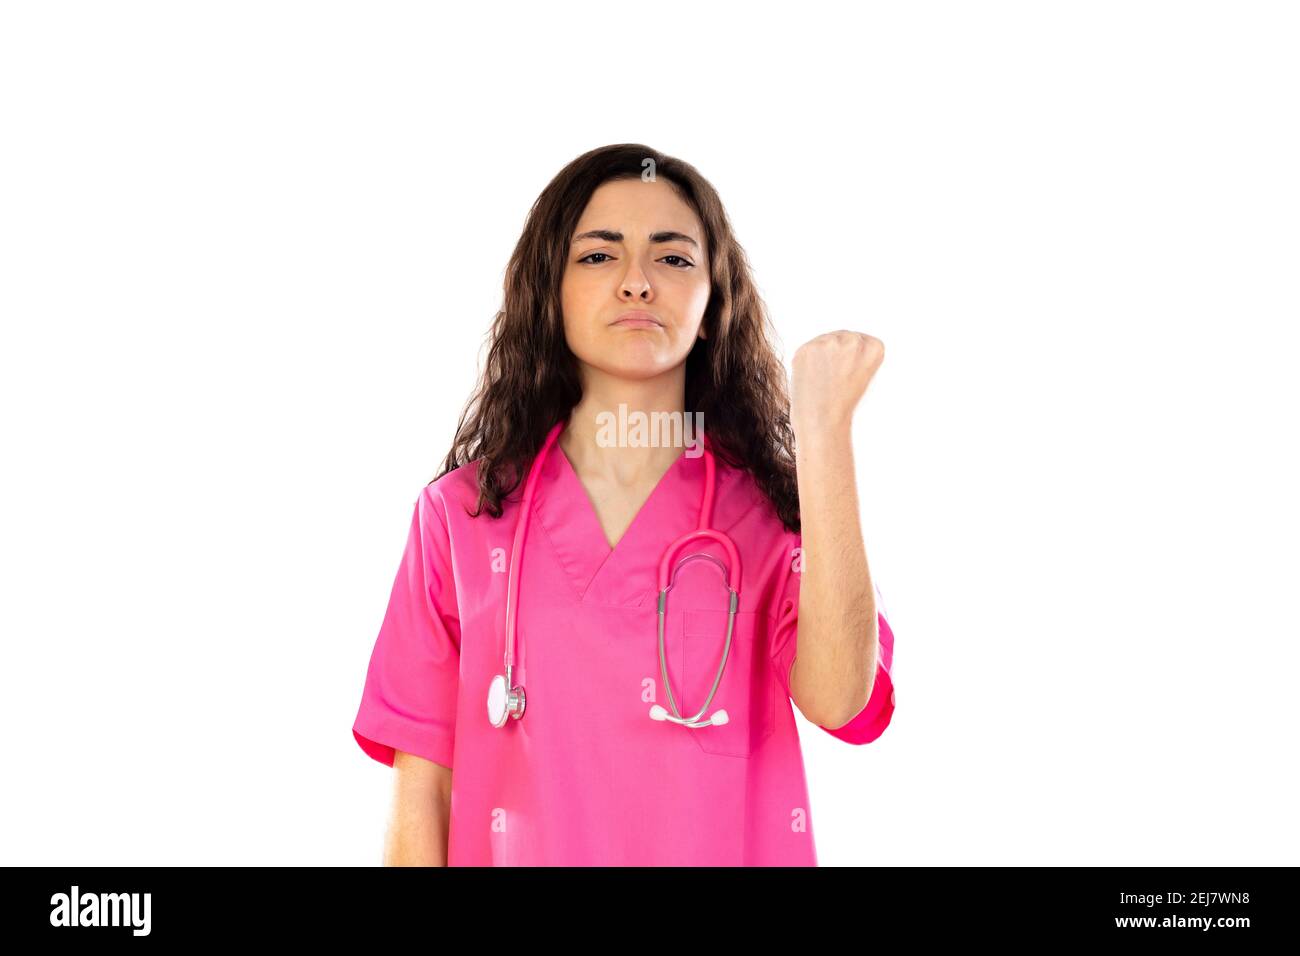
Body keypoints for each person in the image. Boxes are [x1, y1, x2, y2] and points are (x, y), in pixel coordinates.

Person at [351, 143, 896, 866]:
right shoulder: (461, 517)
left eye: (672, 259)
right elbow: (424, 788)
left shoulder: (770, 516)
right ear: (551, 292)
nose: (638, 282)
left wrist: (825, 434)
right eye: (600, 256)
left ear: (711, 307)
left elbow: (838, 701)